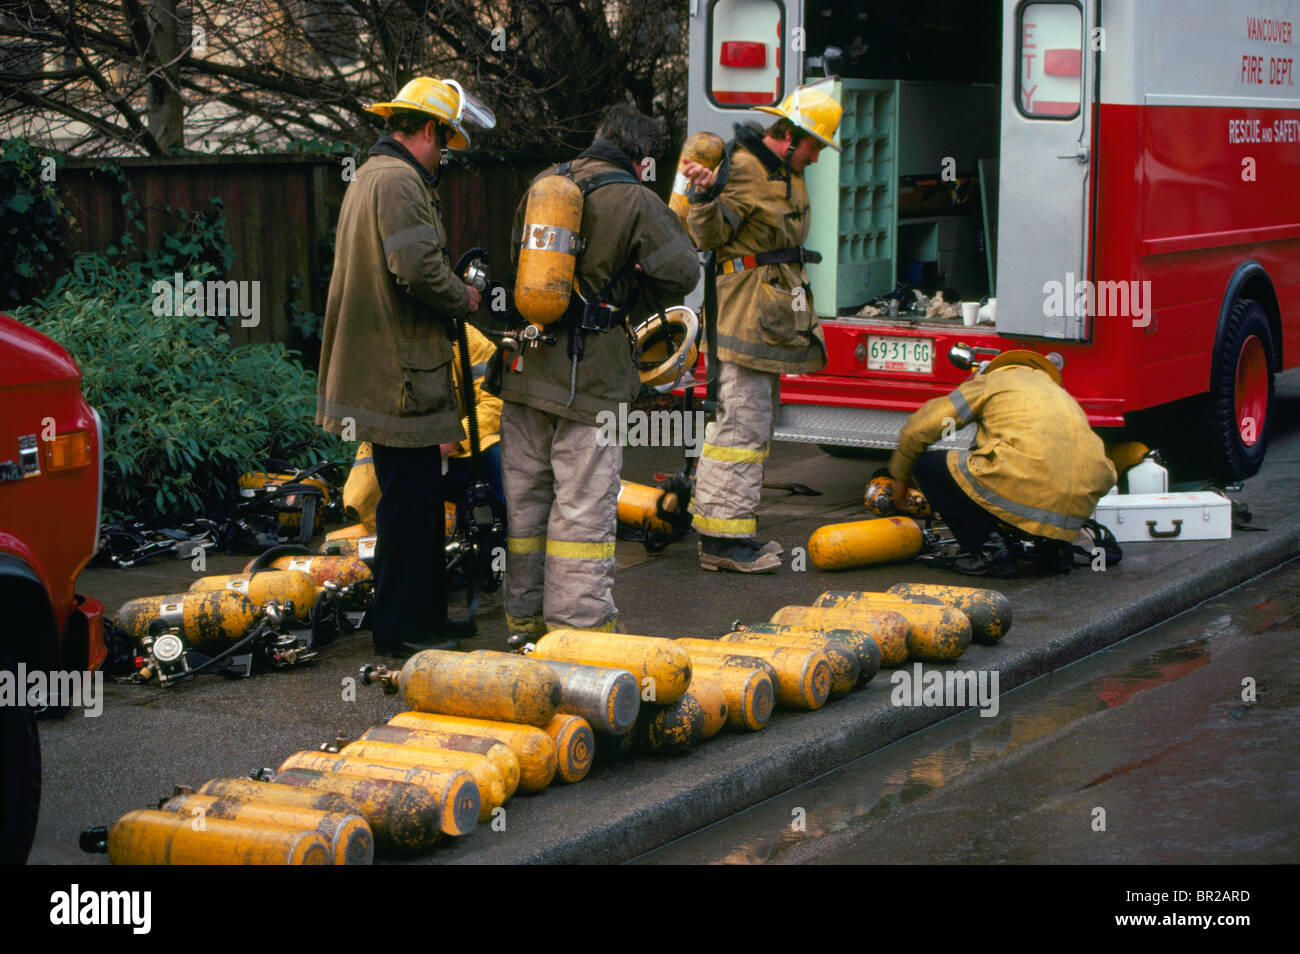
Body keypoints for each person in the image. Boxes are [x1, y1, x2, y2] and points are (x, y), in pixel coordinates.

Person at [499, 103, 699, 645]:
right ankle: (579, 632)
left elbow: (517, 261)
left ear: (598, 136)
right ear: (643, 158)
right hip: (593, 382)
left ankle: (523, 626)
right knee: (583, 511)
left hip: (525, 369)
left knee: (526, 509)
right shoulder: (636, 199)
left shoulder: (546, 185)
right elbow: (682, 273)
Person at [316, 76, 494, 656]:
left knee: (413, 502)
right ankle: (401, 631)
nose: (444, 153)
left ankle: (422, 620)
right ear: (425, 130)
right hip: (401, 375)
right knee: (409, 505)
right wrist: (463, 298)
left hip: (393, 369)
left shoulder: (374, 175)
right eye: (443, 140)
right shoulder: (398, 180)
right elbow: (416, 268)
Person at [679, 83, 841, 572]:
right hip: (744, 318)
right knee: (738, 428)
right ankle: (721, 543)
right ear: (789, 135)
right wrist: (704, 196)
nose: (816, 157)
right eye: (815, 145)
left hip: (766, 319)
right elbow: (707, 234)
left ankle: (734, 530)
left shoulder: (781, 169)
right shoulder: (745, 168)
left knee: (752, 426)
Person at [888, 350, 1118, 575]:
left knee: (928, 466)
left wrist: (900, 478)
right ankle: (1054, 551)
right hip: (1084, 492)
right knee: (1033, 477)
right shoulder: (1060, 395)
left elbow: (919, 429)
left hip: (1029, 478)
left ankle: (989, 551)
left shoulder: (992, 381)